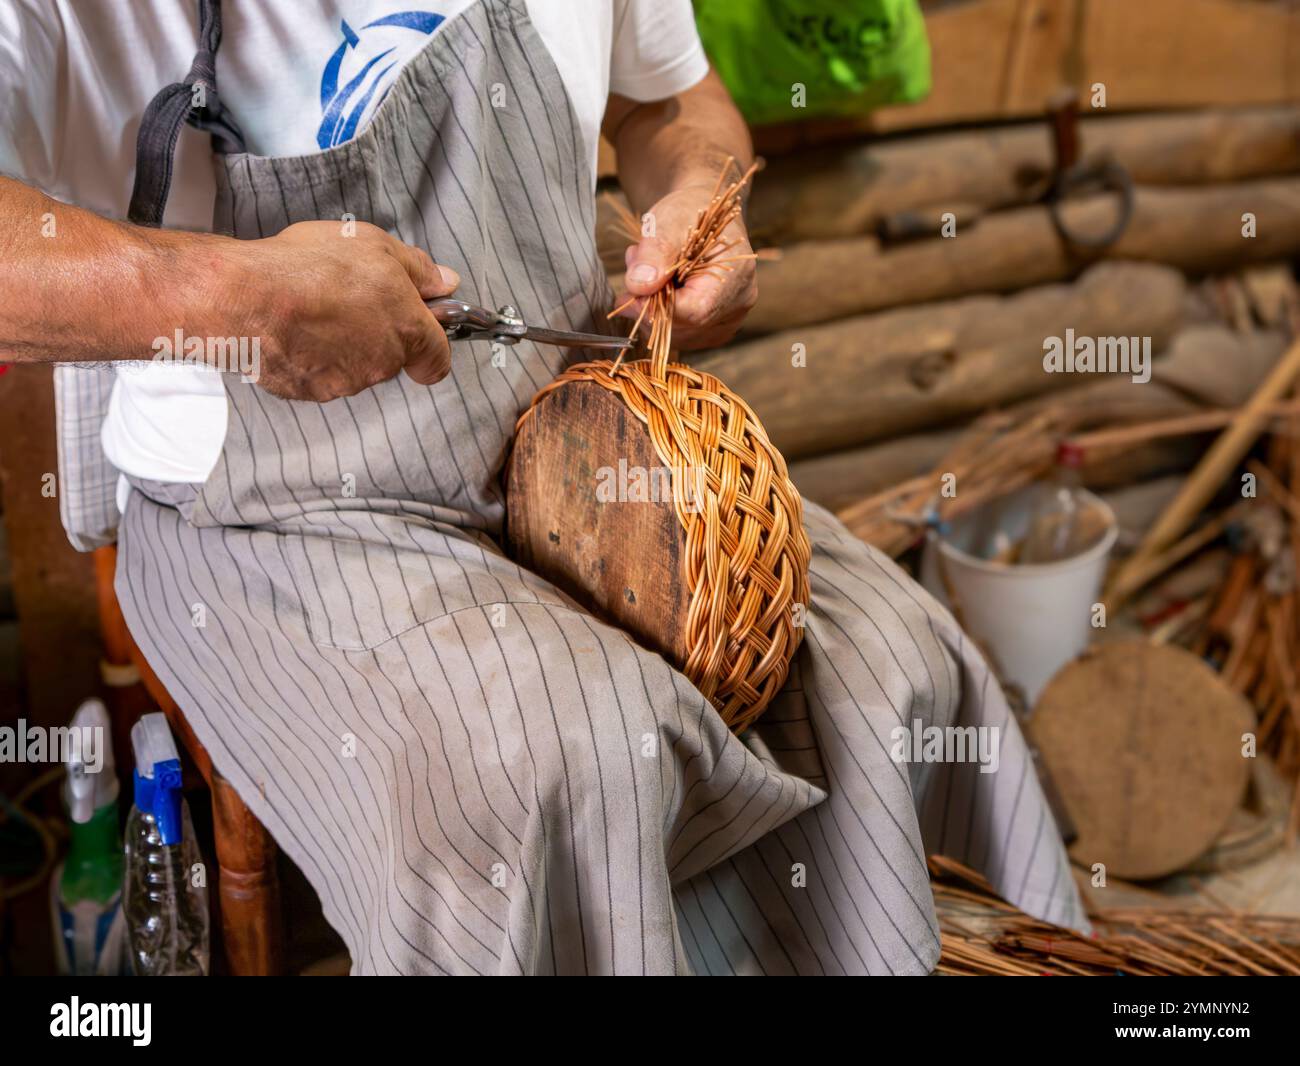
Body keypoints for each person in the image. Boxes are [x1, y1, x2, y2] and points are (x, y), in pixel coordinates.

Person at [0, 0, 1084, 974]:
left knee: (890, 661)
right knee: (578, 761)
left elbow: (672, 98)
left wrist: (703, 198)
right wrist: (225, 294)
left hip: (566, 441)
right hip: (273, 505)